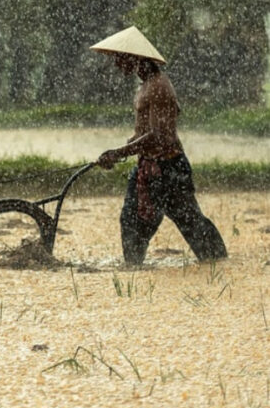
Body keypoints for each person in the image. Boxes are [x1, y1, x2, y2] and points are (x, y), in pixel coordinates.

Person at [90, 26, 227, 266]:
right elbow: (143, 133)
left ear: (135, 58)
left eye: (119, 58)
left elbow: (159, 136)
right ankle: (134, 269)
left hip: (168, 168)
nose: (116, 65)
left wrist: (119, 152)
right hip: (151, 167)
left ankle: (217, 263)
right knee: (138, 221)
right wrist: (123, 150)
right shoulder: (145, 86)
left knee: (188, 221)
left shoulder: (159, 87)